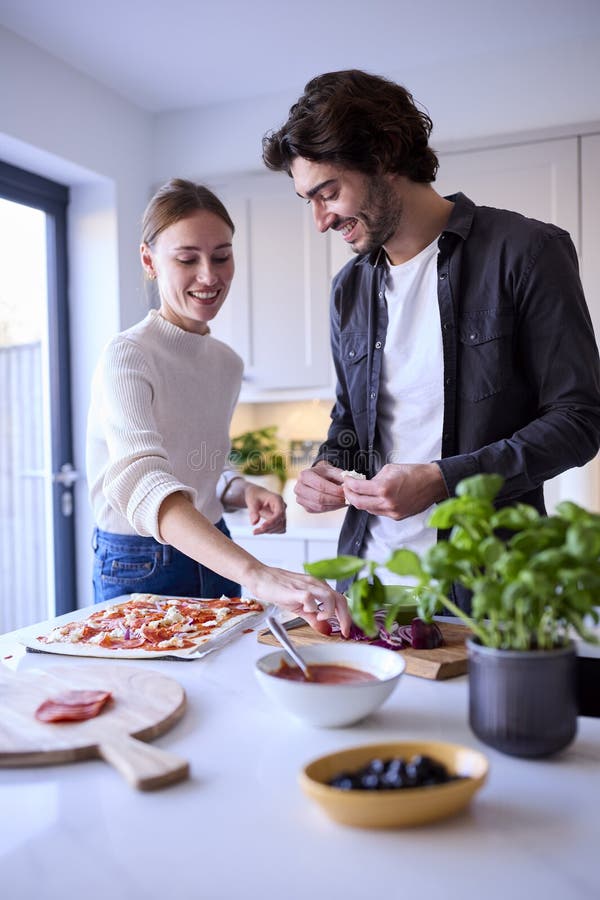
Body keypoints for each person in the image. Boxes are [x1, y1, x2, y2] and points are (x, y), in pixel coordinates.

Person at [262, 69, 600, 609]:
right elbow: (351, 423)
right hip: (368, 584)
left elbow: (580, 420)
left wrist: (446, 480)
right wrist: (326, 468)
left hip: (488, 590)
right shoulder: (349, 289)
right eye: (309, 200)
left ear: (387, 156)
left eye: (329, 193)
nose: (321, 221)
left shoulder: (527, 251)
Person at [86, 177, 351, 635]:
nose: (209, 276)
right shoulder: (128, 354)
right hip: (141, 558)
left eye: (222, 256)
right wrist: (257, 572)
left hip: (213, 544)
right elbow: (142, 481)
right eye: (187, 259)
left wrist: (240, 490)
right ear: (149, 260)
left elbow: (196, 463)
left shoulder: (226, 363)